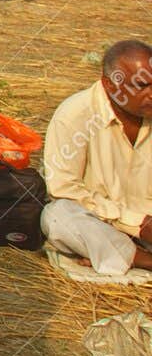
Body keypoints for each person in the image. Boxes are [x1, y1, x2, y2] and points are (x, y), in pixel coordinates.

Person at [40, 41, 152, 276]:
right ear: (110, 85)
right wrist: (134, 223)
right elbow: (63, 190)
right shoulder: (75, 114)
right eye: (142, 85)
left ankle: (116, 253)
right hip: (101, 221)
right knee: (56, 216)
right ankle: (139, 258)